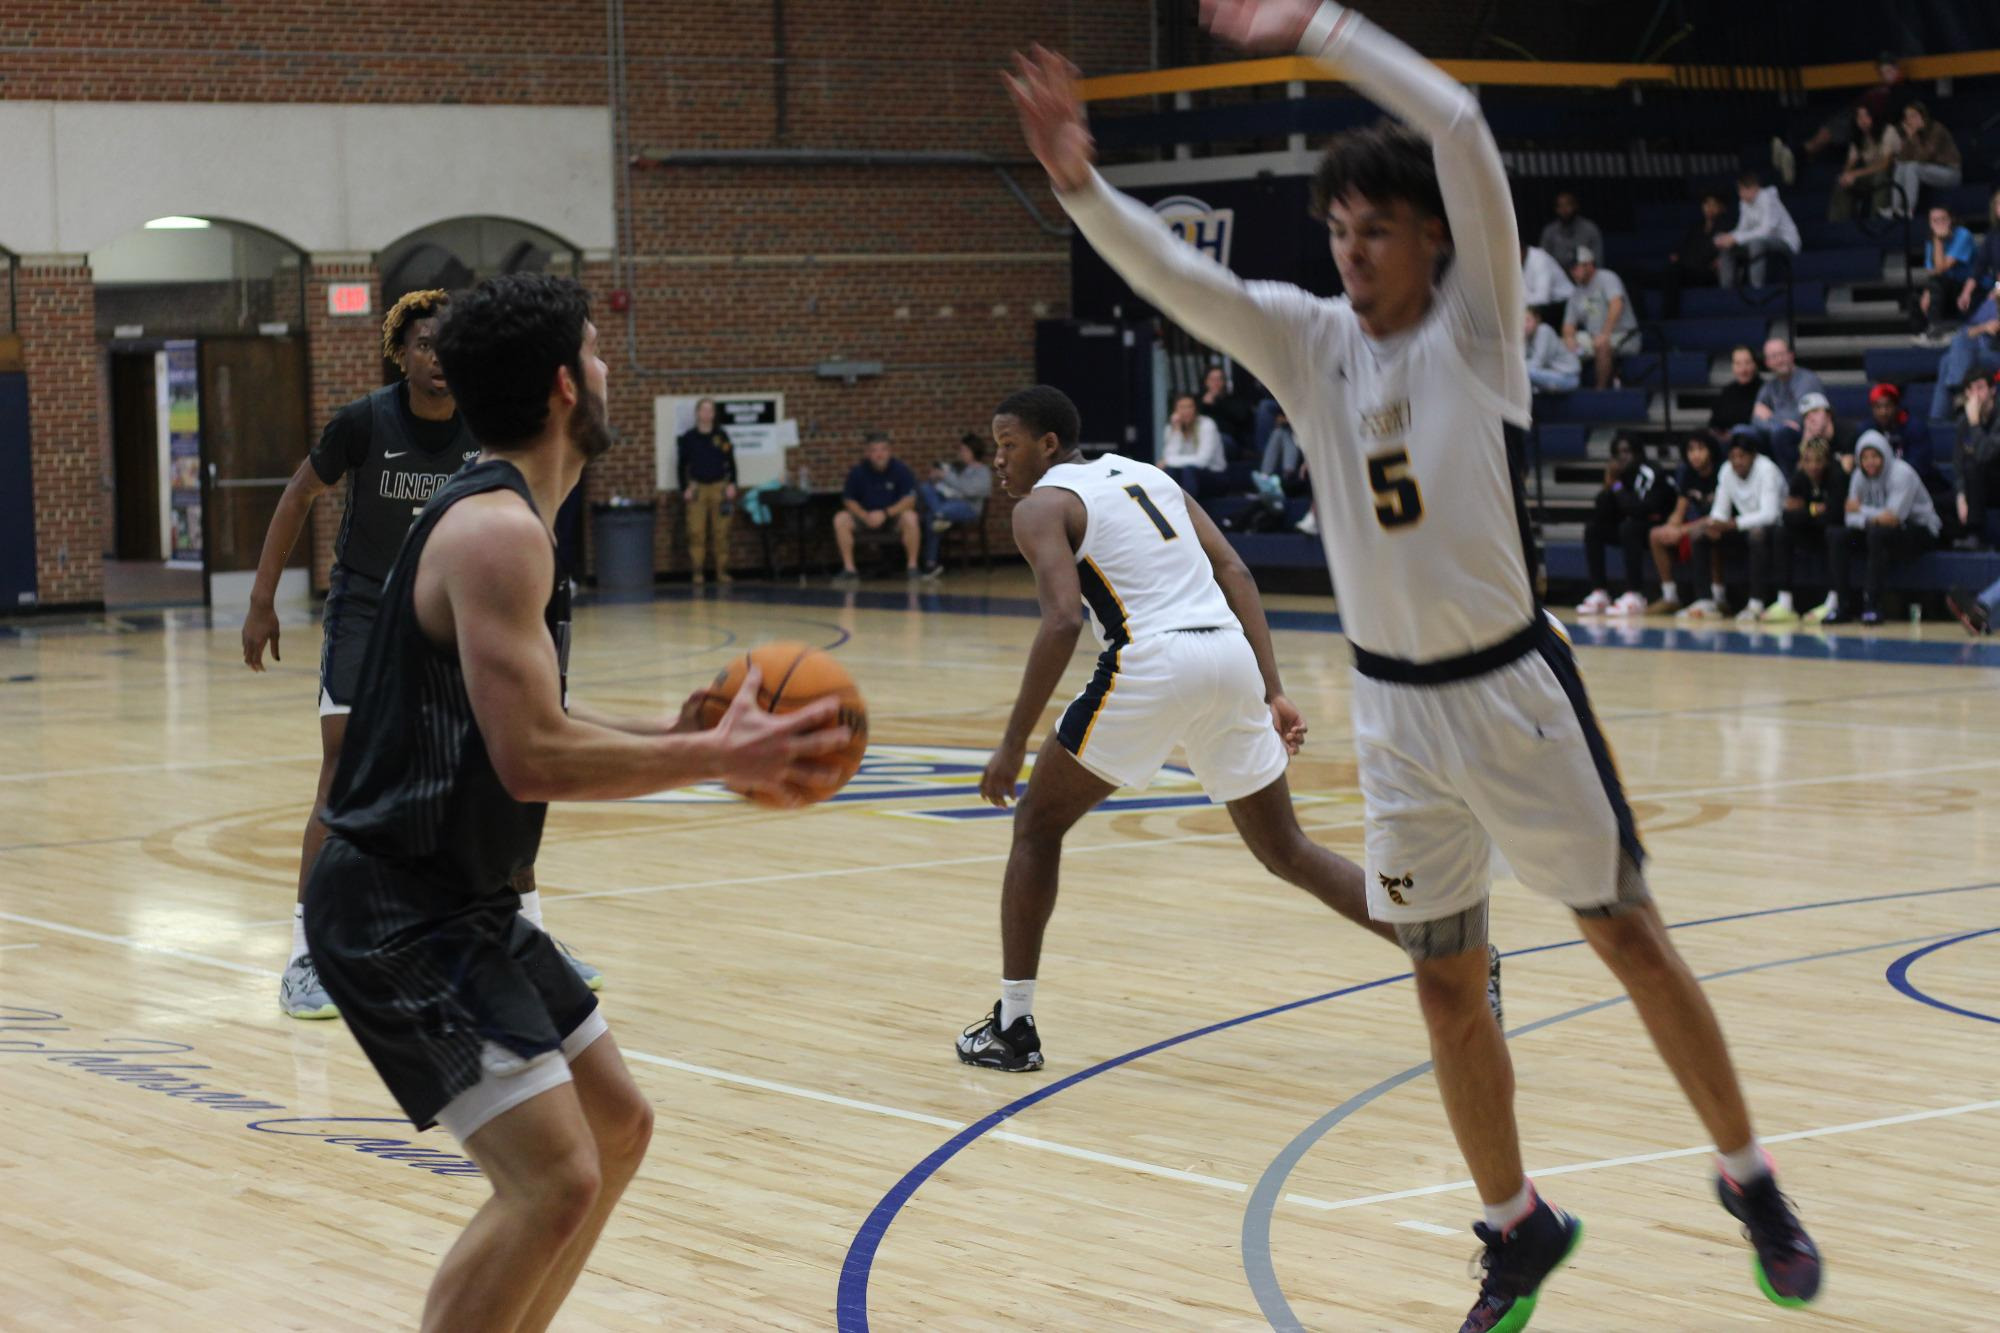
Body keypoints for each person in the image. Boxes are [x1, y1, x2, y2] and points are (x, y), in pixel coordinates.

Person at [1008, 5, 1820, 1326]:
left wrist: (1312, 25)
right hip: (1390, 709)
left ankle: (1750, 1176)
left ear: (1433, 234)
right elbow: (1177, 279)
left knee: (1631, 940)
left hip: (1513, 688)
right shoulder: (1309, 343)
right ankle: (1517, 1222)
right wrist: (1080, 185)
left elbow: (1456, 123)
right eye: (1336, 232)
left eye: (1373, 228)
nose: (1351, 249)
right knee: (1442, 978)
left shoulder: (1477, 329)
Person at [304, 272, 849, 1331]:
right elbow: (532, 759)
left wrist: (694, 736)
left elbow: (534, 711)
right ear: (565, 385)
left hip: (462, 901)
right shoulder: (497, 531)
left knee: (617, 1127)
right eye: (598, 354)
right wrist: (708, 757)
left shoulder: (510, 518)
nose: (607, 369)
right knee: (551, 1180)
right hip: (395, 911)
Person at [955, 385, 1502, 1069]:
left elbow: (1064, 618)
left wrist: (1011, 745)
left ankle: (1012, 1023)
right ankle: (1457, 954)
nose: (998, 463)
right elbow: (1234, 568)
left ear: (1046, 445)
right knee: (1286, 848)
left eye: (1006, 447)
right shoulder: (1149, 475)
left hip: (1153, 659)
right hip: (1227, 653)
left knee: (1036, 824)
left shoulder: (1043, 506)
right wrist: (1272, 689)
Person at [242, 289, 601, 1020]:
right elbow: (297, 494)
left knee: (506, 768)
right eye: (423, 345)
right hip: (369, 606)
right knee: (342, 771)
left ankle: (525, 933)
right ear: (400, 352)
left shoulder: (484, 423)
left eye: (446, 345)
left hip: (451, 607)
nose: (436, 358)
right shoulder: (364, 421)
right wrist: (260, 599)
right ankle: (306, 951)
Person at [1822, 428, 1942, 624]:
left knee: (1878, 534)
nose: (1870, 462)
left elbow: (1893, 518)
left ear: (1885, 455)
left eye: (1875, 456)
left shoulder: (1902, 473)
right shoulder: (1859, 476)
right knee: (1836, 535)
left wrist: (1861, 509)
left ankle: (1872, 605)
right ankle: (1842, 605)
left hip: (1920, 532)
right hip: (1878, 531)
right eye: (1865, 457)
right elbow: (1849, 517)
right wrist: (1866, 516)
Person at [1687, 433, 1792, 623]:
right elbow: (1720, 510)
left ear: (1754, 456)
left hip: (1777, 529)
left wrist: (1732, 524)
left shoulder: (1767, 470)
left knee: (1757, 535)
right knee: (1699, 535)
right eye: (1733, 457)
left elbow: (1770, 514)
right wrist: (1714, 525)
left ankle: (1756, 602)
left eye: (1742, 456)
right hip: (1741, 526)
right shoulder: (1727, 471)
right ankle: (1706, 601)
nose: (1737, 462)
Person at [1576, 436, 1674, 618]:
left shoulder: (1650, 471)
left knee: (1629, 527)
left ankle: (1634, 594)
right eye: (1618, 453)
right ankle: (1600, 592)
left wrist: (1617, 487)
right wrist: (1609, 485)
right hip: (1632, 528)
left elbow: (1640, 510)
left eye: (1626, 451)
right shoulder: (1619, 476)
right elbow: (1602, 512)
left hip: (1657, 527)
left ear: (1638, 452)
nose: (1622, 458)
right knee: (1593, 529)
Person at [832, 432, 921, 587]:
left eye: (883, 450)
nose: (879, 454)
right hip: (865, 518)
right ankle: (849, 569)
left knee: (911, 517)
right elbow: (849, 500)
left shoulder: (901, 470)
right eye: (874, 450)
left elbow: (910, 500)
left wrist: (885, 513)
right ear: (867, 453)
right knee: (840, 518)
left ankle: (912, 567)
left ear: (890, 451)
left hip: (892, 518)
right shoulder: (858, 472)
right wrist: (865, 515)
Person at [1647, 433, 1722, 615]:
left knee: (1709, 533)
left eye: (1700, 449)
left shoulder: (1722, 472)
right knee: (1656, 534)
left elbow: (1718, 517)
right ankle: (1670, 596)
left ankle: (1719, 598)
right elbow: (1679, 511)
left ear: (1711, 451)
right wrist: (1672, 527)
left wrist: (1682, 530)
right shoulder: (1687, 473)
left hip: (1720, 524)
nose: (1695, 455)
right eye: (1691, 450)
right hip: (1695, 524)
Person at [677, 397, 738, 585]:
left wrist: (732, 483)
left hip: (719, 486)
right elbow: (681, 466)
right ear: (697, 413)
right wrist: (684, 488)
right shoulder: (688, 438)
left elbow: (731, 461)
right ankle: (697, 572)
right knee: (696, 531)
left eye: (710, 410)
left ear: (713, 414)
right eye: (703, 410)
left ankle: (722, 571)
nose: (706, 414)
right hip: (697, 488)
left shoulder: (721, 436)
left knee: (722, 532)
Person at [1787, 439, 1849, 624]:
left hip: (1841, 537)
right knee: (1781, 532)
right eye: (1808, 460)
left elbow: (1836, 515)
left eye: (1818, 460)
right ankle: (1784, 601)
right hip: (1812, 532)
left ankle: (1835, 600)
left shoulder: (1837, 476)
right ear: (1802, 461)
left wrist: (1804, 511)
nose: (1813, 466)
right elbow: (1788, 516)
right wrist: (1814, 510)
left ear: (1826, 461)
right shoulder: (1799, 477)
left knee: (1834, 533)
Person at [917, 433, 993, 576]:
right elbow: (949, 487)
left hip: (968, 508)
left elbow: (969, 490)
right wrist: (936, 478)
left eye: (963, 450)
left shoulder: (982, 472)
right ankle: (939, 515)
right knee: (925, 489)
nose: (960, 453)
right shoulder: (958, 469)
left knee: (930, 517)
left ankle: (930, 563)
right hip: (949, 503)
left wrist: (946, 477)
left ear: (973, 451)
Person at [1561, 246, 1637, 389]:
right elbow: (1568, 325)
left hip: (1624, 335)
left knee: (1601, 344)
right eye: (1570, 269)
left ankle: (1600, 390)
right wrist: (1569, 338)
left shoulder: (1607, 277)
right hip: (1593, 337)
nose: (1573, 272)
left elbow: (1617, 304)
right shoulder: (1576, 291)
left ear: (1588, 264)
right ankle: (1569, 387)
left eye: (1575, 267)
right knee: (1562, 344)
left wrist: (1605, 334)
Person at [1930, 280, 2000, 424]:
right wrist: (1985, 327)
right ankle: (1938, 419)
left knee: (1949, 359)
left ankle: (1953, 399)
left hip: (1996, 356)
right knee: (1949, 357)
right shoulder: (1989, 305)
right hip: (1978, 353)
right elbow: (1966, 331)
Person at [1715, 172, 1800, 289]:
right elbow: (1742, 229)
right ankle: (1727, 291)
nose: (1740, 194)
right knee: (1726, 245)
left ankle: (1756, 289)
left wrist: (1736, 238)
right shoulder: (1744, 203)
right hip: (1759, 241)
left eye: (1743, 190)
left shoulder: (1768, 199)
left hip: (1785, 242)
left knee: (1756, 243)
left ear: (1754, 188)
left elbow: (1766, 231)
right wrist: (1728, 237)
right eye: (1739, 190)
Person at [1744, 337, 1824, 460]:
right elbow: (1755, 419)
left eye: (1782, 354)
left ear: (1791, 355)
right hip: (1776, 434)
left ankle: (1788, 478)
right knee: (1742, 431)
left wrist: (1771, 417)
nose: (1779, 360)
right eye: (1774, 357)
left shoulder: (1807, 380)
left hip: (1806, 436)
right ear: (1767, 363)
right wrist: (1778, 423)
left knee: (1780, 433)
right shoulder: (1769, 387)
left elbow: (1800, 419)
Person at [1914, 206, 1980, 342]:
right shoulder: (1929, 240)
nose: (1940, 224)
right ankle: (1934, 328)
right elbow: (1933, 271)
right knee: (1921, 296)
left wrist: (1938, 240)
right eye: (1935, 220)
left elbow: (1942, 268)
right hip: (1947, 285)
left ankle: (1937, 328)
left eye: (1943, 219)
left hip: (1970, 285)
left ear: (1952, 220)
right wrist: (1927, 292)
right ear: (1930, 223)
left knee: (1937, 285)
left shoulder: (1963, 235)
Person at [1829, 104, 1899, 221]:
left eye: (1866, 116)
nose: (1862, 120)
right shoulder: (1858, 137)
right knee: (1842, 181)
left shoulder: (1888, 130)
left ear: (1874, 117)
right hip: (1869, 174)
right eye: (1859, 117)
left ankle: (1877, 220)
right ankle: (1839, 224)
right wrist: (1845, 175)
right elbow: (1850, 162)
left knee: (1880, 177)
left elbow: (1885, 164)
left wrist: (1855, 174)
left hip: (1892, 173)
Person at [1953, 371, 1999, 545]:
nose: (1975, 395)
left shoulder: (1973, 420)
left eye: (1980, 388)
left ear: (1992, 390)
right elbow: (1957, 462)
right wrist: (1960, 495)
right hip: (1982, 486)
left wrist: (1974, 423)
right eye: (1970, 390)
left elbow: (1985, 454)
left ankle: (1974, 534)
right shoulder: (1964, 422)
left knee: (1975, 464)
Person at [1892, 102, 1961, 218]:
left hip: (1950, 172)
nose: (1909, 120)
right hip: (1929, 171)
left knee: (1912, 167)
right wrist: (1908, 140)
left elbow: (1924, 157)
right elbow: (1902, 159)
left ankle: (1908, 209)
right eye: (1907, 117)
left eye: (1913, 116)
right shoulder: (1914, 134)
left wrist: (1913, 138)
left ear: (1922, 116)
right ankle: (1895, 209)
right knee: (1901, 166)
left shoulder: (1936, 129)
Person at [1663, 191, 1726, 317]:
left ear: (1721, 208)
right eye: (1706, 204)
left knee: (1673, 273)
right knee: (1670, 271)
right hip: (1688, 268)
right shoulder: (1696, 228)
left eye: (1713, 204)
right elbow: (1684, 249)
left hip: (1707, 272)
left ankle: (1669, 317)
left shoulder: (1726, 226)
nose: (1709, 208)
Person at [1161, 390, 1228, 494]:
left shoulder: (1207, 424)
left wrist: (1169, 461)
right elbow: (1169, 455)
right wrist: (1177, 430)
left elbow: (1202, 461)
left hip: (1214, 474)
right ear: (1175, 410)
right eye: (1182, 407)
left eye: (1190, 406)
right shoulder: (1172, 428)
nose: (1187, 411)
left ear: (1195, 408)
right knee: (1171, 471)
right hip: (1186, 473)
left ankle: (1190, 509)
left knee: (1188, 470)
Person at [1198, 364, 1255, 456]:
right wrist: (1205, 405)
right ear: (1206, 382)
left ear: (1224, 382)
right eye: (1212, 379)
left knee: (1220, 440)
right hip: (1204, 440)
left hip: (1229, 441)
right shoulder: (1200, 401)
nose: (1216, 383)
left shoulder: (1234, 399)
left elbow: (1240, 419)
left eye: (1219, 379)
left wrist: (1218, 402)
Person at [1538, 189, 1603, 270]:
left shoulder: (1590, 229)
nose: (1564, 210)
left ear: (1576, 206)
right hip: (1557, 276)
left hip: (1584, 277)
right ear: (1556, 209)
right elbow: (1543, 260)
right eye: (1560, 206)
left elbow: (1597, 261)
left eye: (1568, 205)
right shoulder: (1549, 231)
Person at [1708, 345, 1764, 434]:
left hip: (1753, 440)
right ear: (1732, 367)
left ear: (1755, 364)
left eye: (1747, 363)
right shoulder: (1727, 391)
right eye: (1738, 364)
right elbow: (1714, 422)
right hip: (1726, 440)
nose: (1743, 369)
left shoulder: (1765, 389)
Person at [1523, 306, 1580, 393]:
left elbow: (1537, 363)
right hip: (1550, 373)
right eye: (1521, 321)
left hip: (1568, 376)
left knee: (1527, 372)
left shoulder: (1544, 330)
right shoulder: (1526, 336)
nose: (1524, 325)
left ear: (1537, 319)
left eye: (1528, 320)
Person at [1520, 242, 1572, 327]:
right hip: (1547, 305)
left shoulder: (1540, 259)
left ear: (1521, 250)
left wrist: (1521, 303)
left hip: (1564, 303)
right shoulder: (1518, 263)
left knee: (1531, 314)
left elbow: (1542, 299)